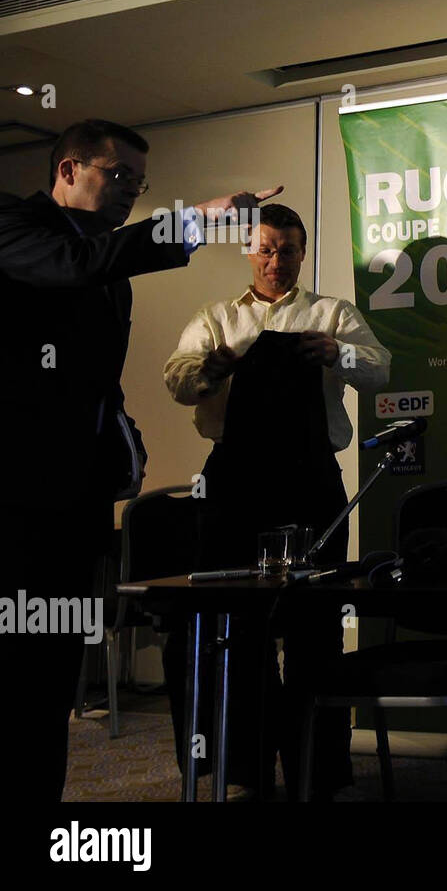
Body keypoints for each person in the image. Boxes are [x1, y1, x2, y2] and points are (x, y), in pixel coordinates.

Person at [0, 117, 280, 800]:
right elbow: (72, 267)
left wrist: (118, 432)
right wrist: (196, 222)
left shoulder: (110, 272)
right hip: (13, 510)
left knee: (49, 691)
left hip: (74, 507)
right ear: (68, 170)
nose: (129, 190)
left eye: (138, 181)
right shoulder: (17, 228)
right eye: (117, 174)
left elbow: (87, 379)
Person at [162, 202, 391, 798]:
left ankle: (320, 775)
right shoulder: (216, 318)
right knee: (240, 631)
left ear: (302, 253)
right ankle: (245, 772)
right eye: (265, 249)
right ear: (249, 251)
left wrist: (336, 353)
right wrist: (211, 368)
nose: (276, 261)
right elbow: (176, 379)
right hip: (234, 484)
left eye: (287, 250)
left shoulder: (331, 313)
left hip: (312, 481)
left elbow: (381, 370)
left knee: (316, 629)